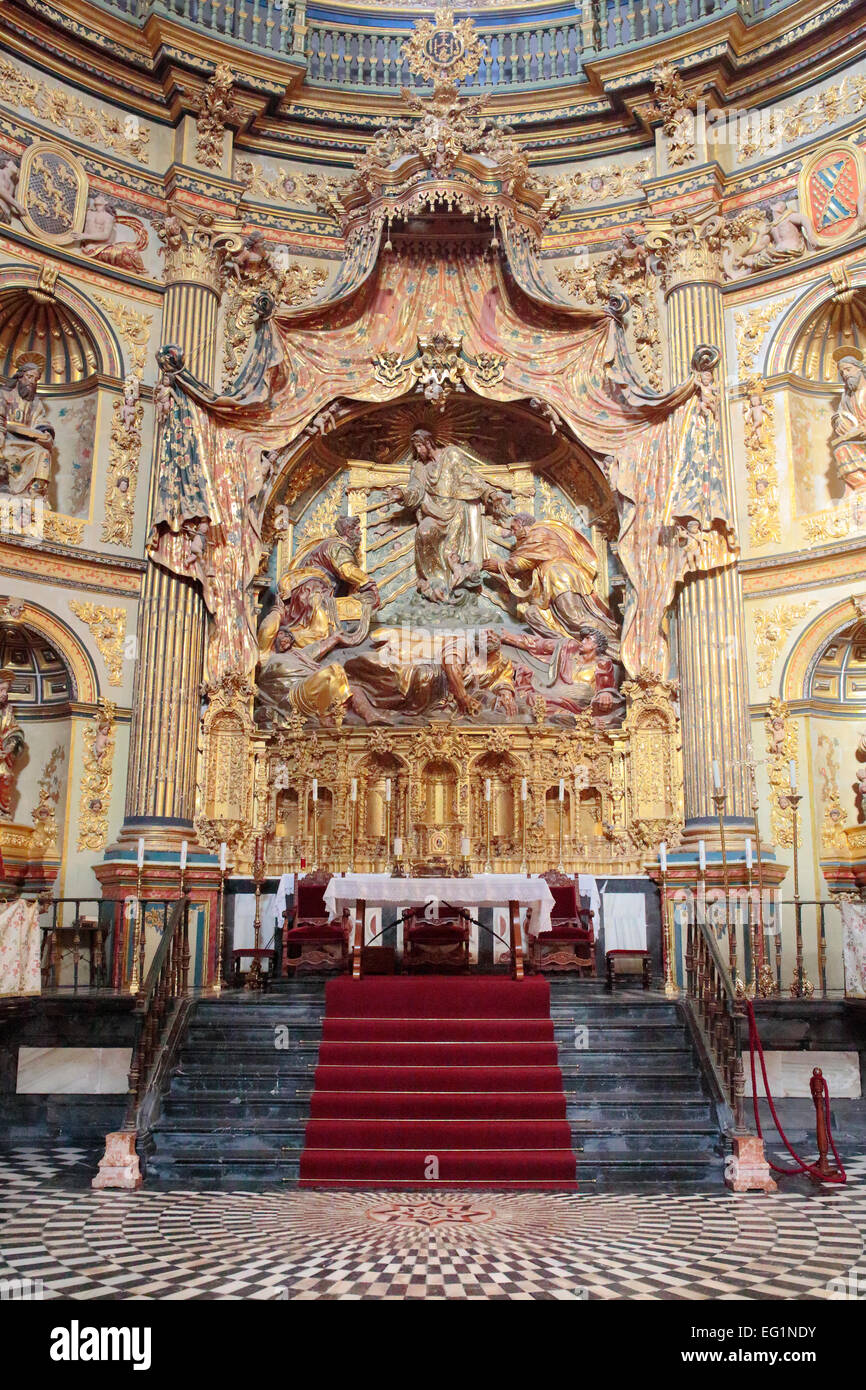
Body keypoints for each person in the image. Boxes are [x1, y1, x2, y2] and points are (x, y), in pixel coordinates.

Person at [380, 429, 508, 603]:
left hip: (455, 510)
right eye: (415, 447)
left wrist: (491, 494)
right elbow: (415, 490)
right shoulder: (419, 466)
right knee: (424, 532)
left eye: (419, 446)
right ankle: (434, 583)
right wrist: (402, 495)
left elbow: (470, 478)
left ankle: (454, 588)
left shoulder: (451, 454)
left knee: (451, 553)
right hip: (432, 510)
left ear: (428, 442)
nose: (418, 451)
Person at [483, 512, 617, 642]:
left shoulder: (538, 533)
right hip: (551, 580)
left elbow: (520, 563)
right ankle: (567, 645)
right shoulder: (537, 538)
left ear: (522, 524)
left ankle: (613, 641)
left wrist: (500, 565)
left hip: (559, 576)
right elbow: (526, 567)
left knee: (574, 617)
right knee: (535, 613)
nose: (513, 532)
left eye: (514, 528)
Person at [0, 353, 54, 496]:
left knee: (42, 453)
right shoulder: (4, 395)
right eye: (29, 377)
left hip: (27, 445)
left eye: (35, 379)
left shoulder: (36, 404)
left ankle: (35, 492)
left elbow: (40, 422)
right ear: (20, 377)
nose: (32, 382)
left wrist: (46, 436)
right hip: (6, 440)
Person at [0, 666, 25, 820]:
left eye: (6, 691)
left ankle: (2, 812)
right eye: (2, 690)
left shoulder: (7, 711)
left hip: (2, 756)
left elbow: (15, 731)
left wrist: (10, 746)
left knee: (5, 776)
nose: (5, 694)